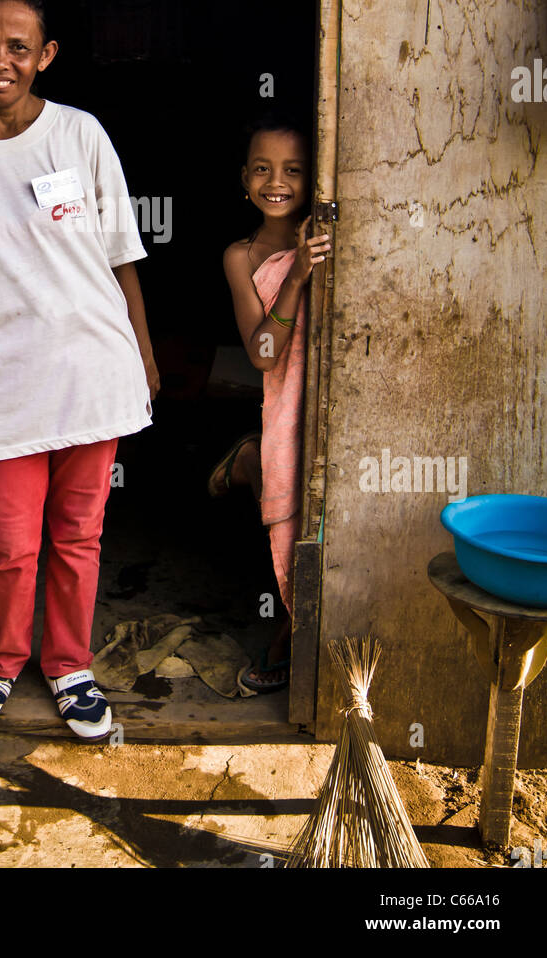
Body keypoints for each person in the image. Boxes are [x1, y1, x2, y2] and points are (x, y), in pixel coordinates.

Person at [0, 0, 159, 739]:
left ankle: (69, 666)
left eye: (18, 46)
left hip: (91, 366)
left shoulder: (79, 136)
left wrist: (143, 355)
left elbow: (121, 257)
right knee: (9, 542)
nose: (0, 60)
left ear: (44, 56)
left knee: (78, 534)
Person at [209, 109, 330, 692]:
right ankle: (289, 631)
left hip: (331, 400)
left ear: (314, 179)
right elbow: (262, 353)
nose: (275, 181)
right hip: (283, 401)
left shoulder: (332, 239)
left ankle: (250, 459)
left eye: (292, 171)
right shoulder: (243, 257)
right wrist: (297, 276)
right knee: (289, 514)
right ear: (244, 178)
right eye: (262, 169)